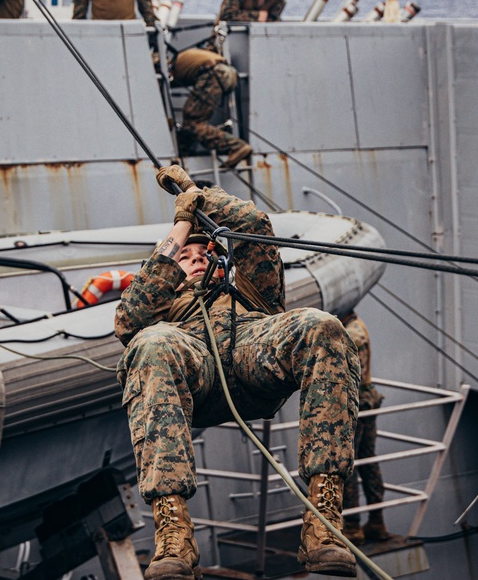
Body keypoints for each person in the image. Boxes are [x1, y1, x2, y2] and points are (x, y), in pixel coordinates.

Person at [114, 164, 360, 579]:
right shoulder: (165, 310)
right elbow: (128, 323)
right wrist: (179, 228)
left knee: (323, 326)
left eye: (203, 255)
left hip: (250, 346)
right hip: (193, 360)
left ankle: (323, 521)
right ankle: (173, 532)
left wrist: (196, 194)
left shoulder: (248, 290)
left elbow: (253, 224)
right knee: (149, 344)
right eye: (184, 258)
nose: (194, 261)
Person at [340, 313, 391, 544]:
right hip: (366, 401)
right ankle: (376, 521)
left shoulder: (352, 334)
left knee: (350, 463)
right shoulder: (357, 325)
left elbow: (354, 377)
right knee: (367, 461)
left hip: (357, 404)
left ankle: (352, 527)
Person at [171, 47, 251, 167]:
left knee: (193, 122)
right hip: (228, 73)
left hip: (214, 74)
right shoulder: (186, 56)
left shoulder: (167, 68)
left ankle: (236, 146)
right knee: (192, 121)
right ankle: (181, 152)